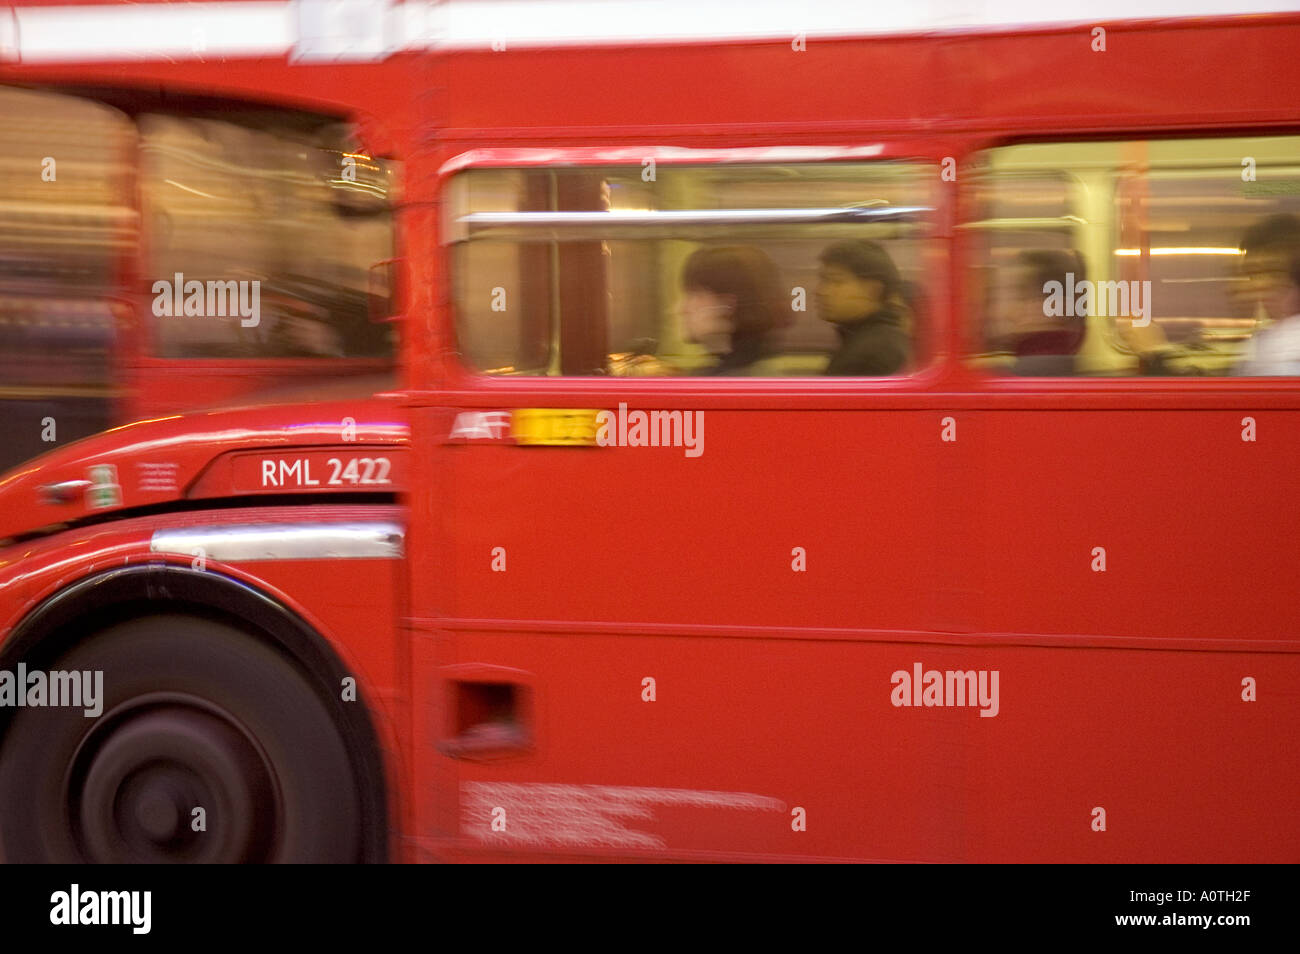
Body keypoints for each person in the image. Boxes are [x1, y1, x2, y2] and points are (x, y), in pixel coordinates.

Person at [677, 245, 789, 375]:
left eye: (695, 295)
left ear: (727, 306)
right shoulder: (753, 371)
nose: (682, 309)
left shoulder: (734, 379)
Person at [815, 240, 909, 375]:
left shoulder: (873, 352)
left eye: (835, 281)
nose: (820, 291)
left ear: (873, 290)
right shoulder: (866, 339)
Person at [997, 248, 1088, 376]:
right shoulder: (1067, 362)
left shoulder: (1034, 370)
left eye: (1021, 295)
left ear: (1054, 304)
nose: (1008, 313)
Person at [1231, 213, 1300, 375]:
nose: (1257, 289)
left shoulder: (1283, 348)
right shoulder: (1267, 341)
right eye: (1252, 276)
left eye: (1270, 274)